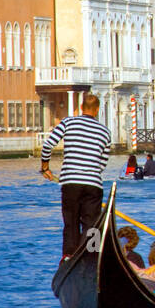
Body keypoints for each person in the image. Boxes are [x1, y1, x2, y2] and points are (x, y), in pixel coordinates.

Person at [40, 94, 112, 259]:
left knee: (71, 222)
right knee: (92, 224)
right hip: (93, 184)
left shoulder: (68, 122)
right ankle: (91, 256)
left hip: (70, 182)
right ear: (97, 110)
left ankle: (69, 256)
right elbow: (102, 164)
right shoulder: (105, 132)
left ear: (81, 108)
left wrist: (45, 167)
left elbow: (47, 145)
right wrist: (90, 172)